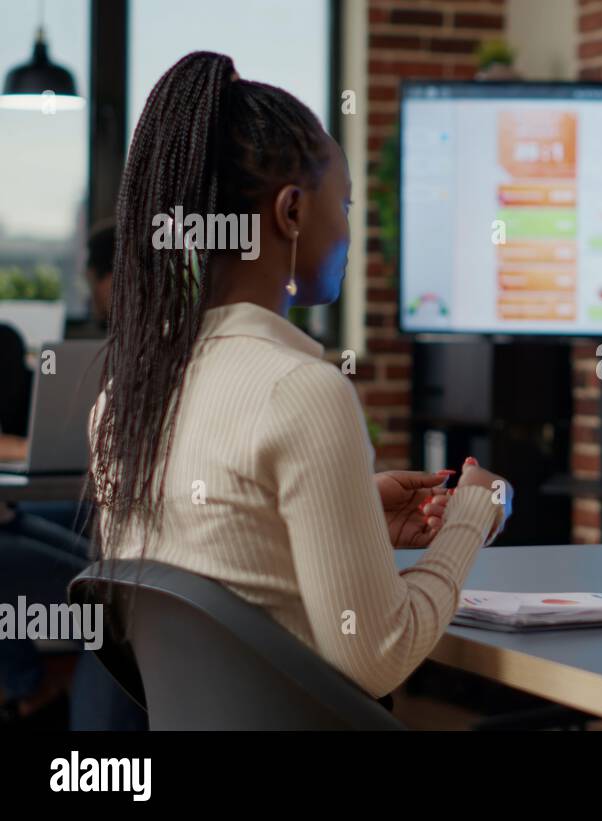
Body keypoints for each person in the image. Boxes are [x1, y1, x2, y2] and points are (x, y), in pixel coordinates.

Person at [88, 51, 511, 709]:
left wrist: (351, 507)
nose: (348, 229)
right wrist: (469, 519)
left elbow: (218, 567)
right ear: (290, 212)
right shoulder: (300, 390)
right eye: (341, 203)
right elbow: (380, 653)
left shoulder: (124, 399)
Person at [1, 224, 147, 730]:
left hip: (9, 514)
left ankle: (41, 692)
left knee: (106, 577)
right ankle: (35, 692)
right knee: (106, 599)